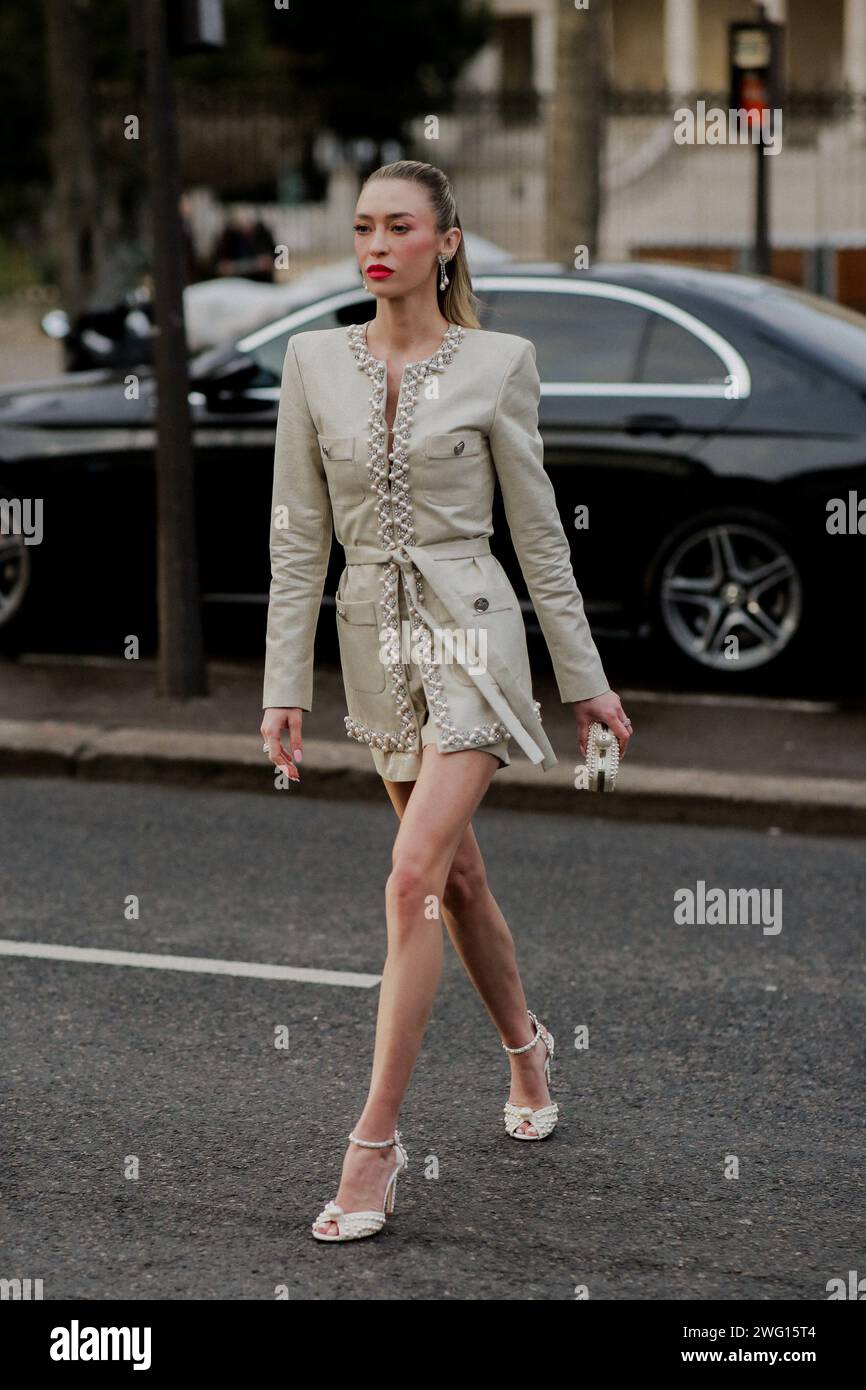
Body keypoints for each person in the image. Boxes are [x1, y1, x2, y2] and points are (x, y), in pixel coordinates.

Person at [259, 159, 633, 1243]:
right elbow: (297, 538)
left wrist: (585, 679)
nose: (376, 244)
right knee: (459, 878)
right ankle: (525, 1044)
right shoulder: (311, 362)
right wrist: (286, 681)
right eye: (364, 226)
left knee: (413, 875)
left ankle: (373, 1145)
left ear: (447, 242)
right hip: (373, 653)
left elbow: (540, 537)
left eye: (400, 226)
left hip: (472, 642)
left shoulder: (499, 364)